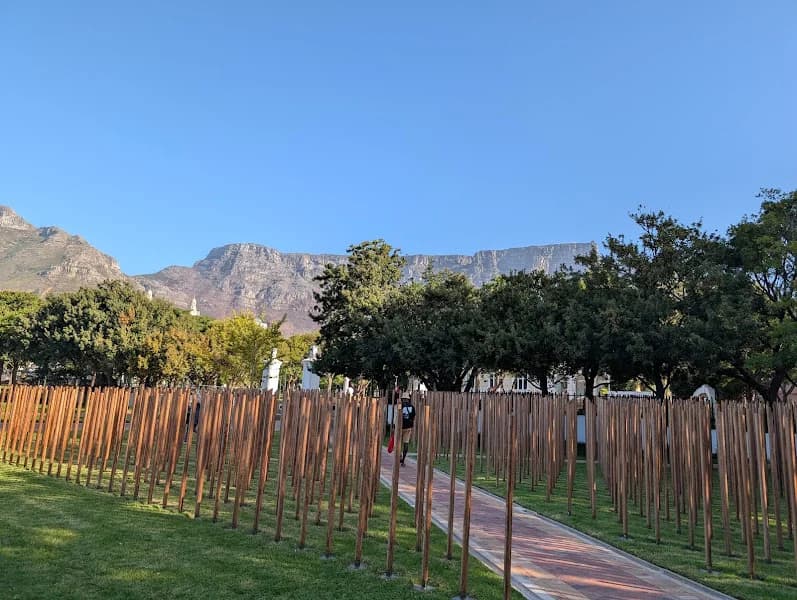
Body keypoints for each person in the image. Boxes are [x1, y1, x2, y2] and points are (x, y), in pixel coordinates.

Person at [399, 392, 416, 466]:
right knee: (406, 443)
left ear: (402, 399)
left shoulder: (400, 406)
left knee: (398, 442)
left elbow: (397, 416)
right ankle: (403, 460)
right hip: (408, 427)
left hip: (400, 427)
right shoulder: (412, 407)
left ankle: (399, 456)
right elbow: (413, 417)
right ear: (408, 399)